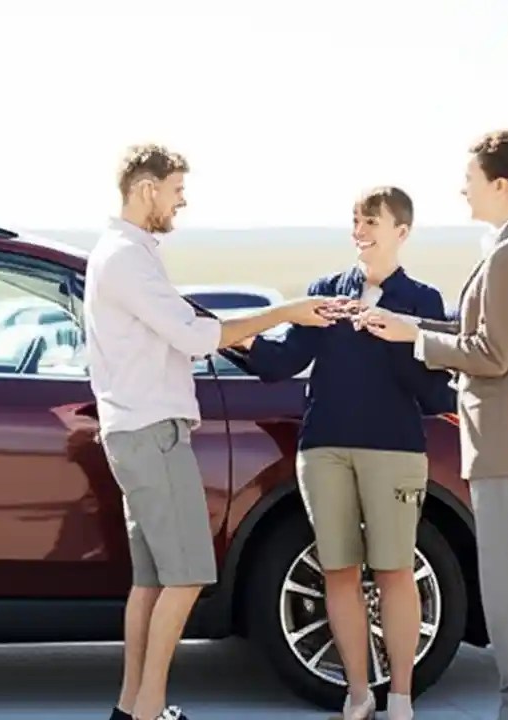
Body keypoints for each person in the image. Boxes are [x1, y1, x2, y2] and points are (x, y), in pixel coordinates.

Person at [84, 143, 339, 720]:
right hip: (152, 433)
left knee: (151, 582)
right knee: (188, 575)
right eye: (176, 190)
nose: (182, 201)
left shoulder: (124, 253)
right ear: (147, 188)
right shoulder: (126, 256)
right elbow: (194, 337)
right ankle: (147, 711)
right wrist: (287, 313)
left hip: (137, 431)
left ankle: (132, 708)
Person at [356, 130, 508, 720]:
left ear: (500, 184)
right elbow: (491, 337)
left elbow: (491, 353)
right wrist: (406, 324)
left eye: (471, 180)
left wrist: (419, 340)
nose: (463, 189)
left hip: (505, 446)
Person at [238, 187, 454, 720]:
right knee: (338, 570)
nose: (359, 229)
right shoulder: (326, 292)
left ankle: (400, 697)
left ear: (401, 231)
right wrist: (228, 335)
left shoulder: (422, 301)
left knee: (394, 571)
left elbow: (429, 391)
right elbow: (281, 362)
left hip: (395, 451)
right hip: (324, 451)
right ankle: (357, 694)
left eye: (371, 221)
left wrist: (396, 337)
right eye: (355, 220)